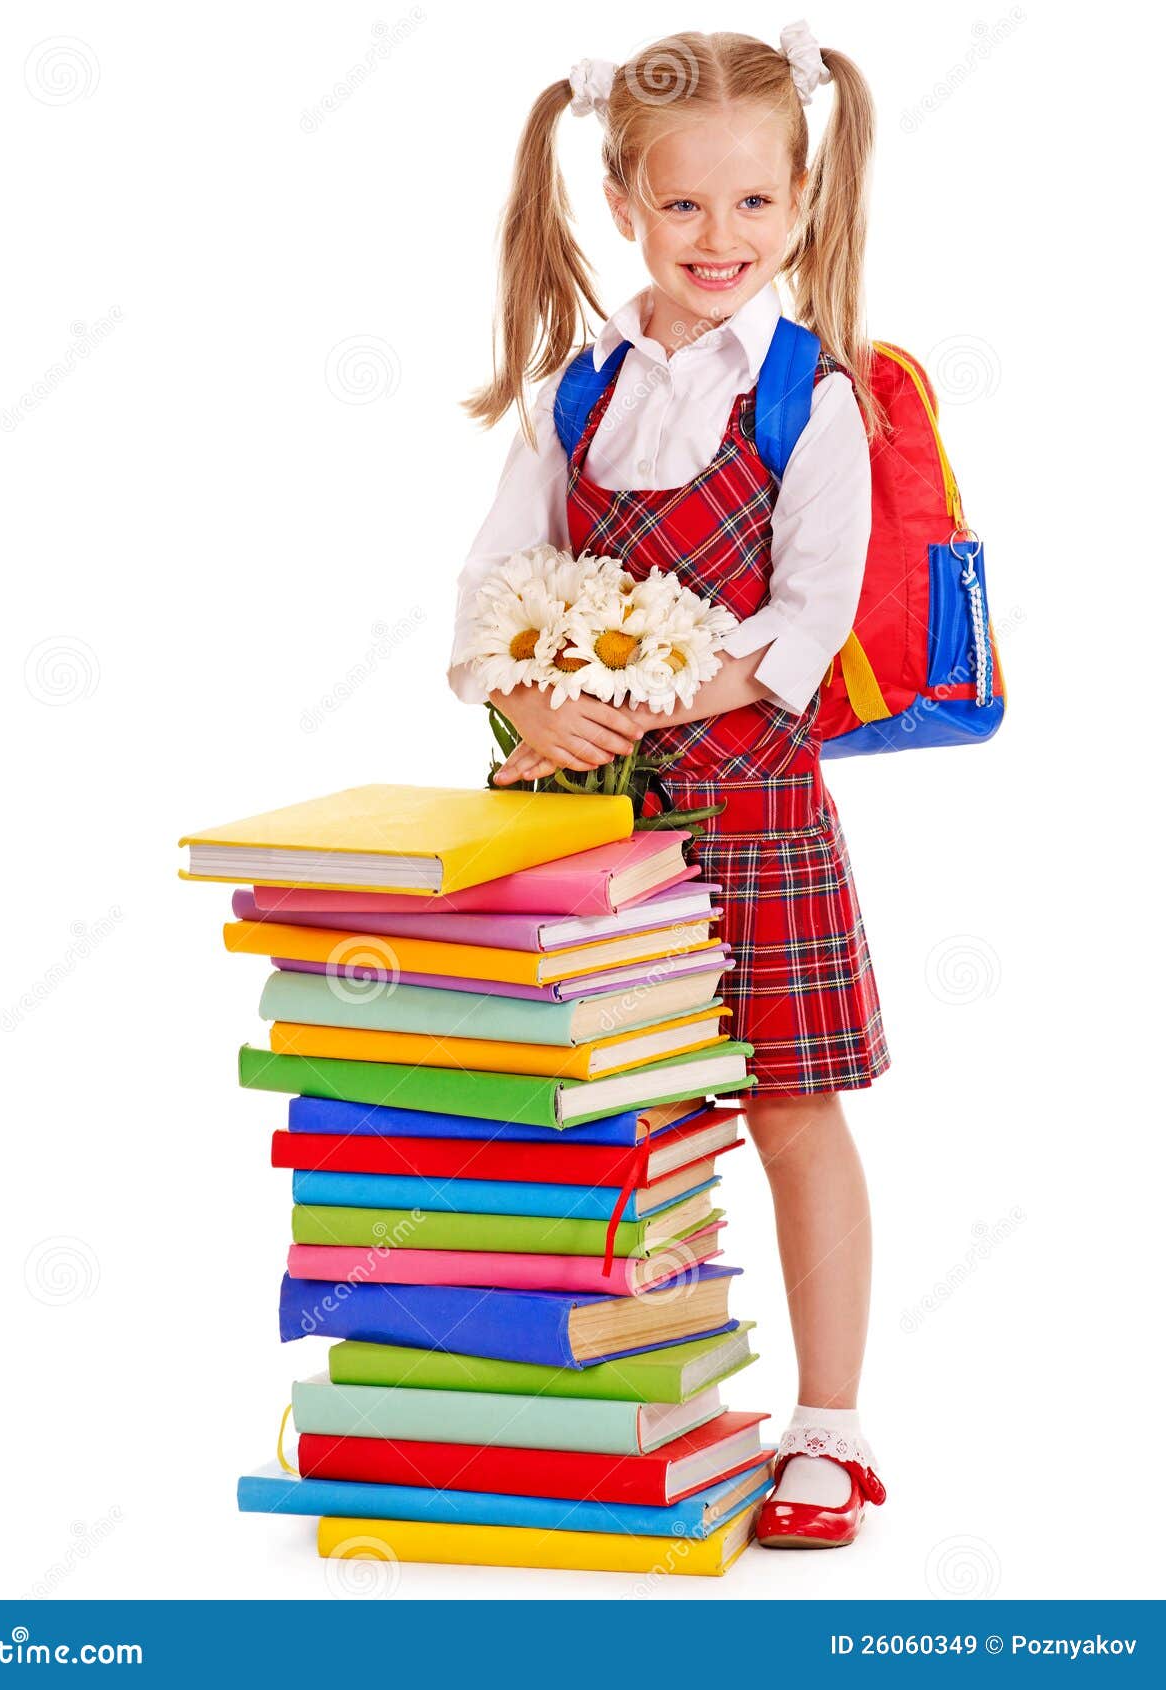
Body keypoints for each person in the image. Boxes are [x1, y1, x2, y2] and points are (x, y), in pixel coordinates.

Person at [447, 25, 891, 1549]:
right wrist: (523, 695)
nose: (721, 235)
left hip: (750, 813)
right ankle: (601, 1407)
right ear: (624, 203)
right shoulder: (577, 392)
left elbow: (803, 627)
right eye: (685, 204)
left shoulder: (810, 397)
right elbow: (492, 583)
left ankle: (827, 1429)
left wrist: (629, 693)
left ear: (803, 200)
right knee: (590, 1111)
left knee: (788, 1104)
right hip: (589, 822)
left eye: (755, 202)